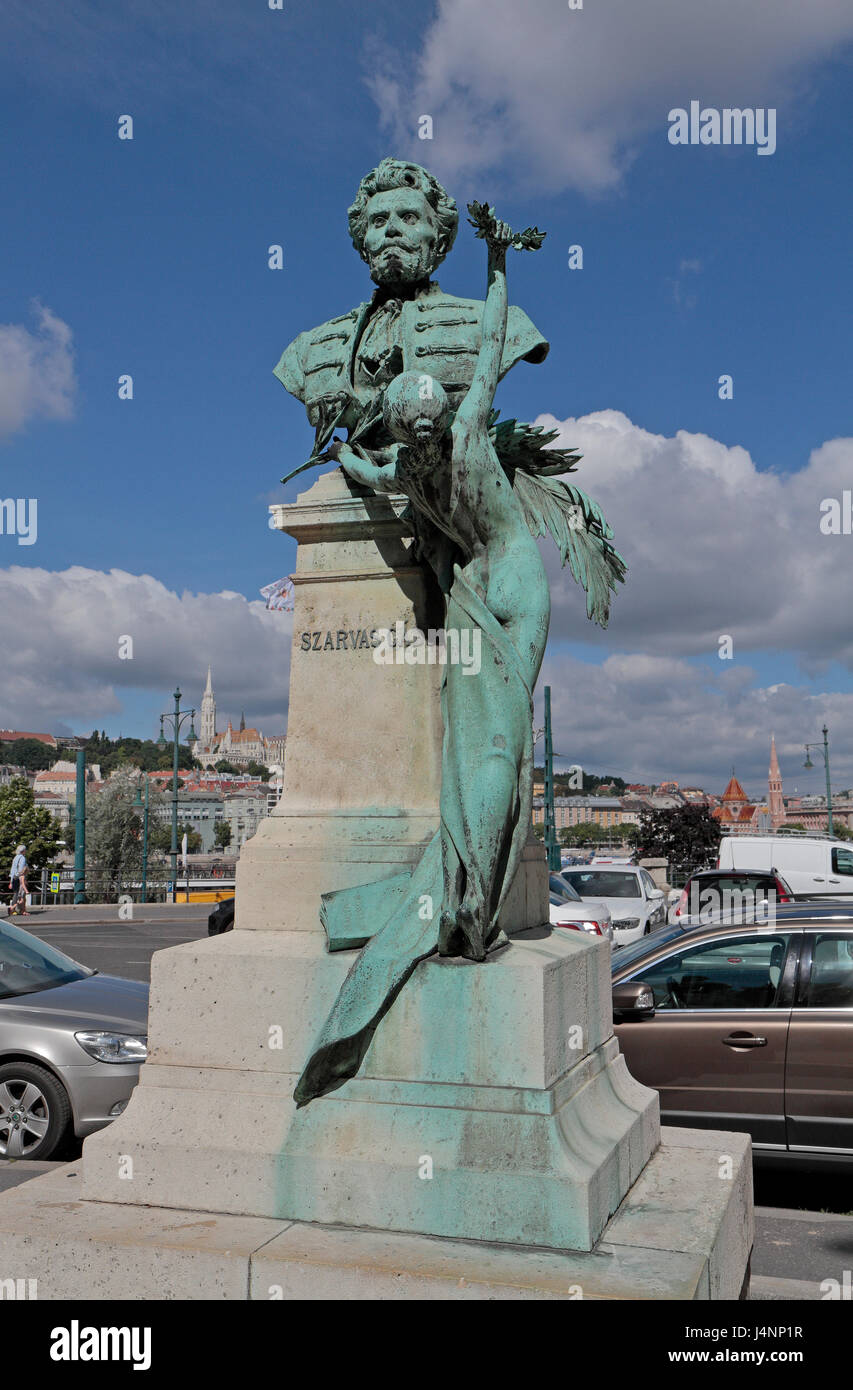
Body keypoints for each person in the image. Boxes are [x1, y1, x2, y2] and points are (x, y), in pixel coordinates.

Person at [293, 205, 624, 1106]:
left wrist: (496, 261)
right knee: (477, 749)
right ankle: (463, 886)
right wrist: (344, 452)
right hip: (473, 589)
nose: (429, 435)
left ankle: (466, 893)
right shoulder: (356, 407)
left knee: (487, 750)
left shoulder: (468, 415)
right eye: (378, 221)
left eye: (412, 220)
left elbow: (485, 356)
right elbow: (368, 475)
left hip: (506, 594)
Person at [9, 844, 28, 916]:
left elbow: (12, 870)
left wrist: (11, 881)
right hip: (20, 877)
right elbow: (21, 870)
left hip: (14, 878)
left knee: (16, 894)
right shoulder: (22, 858)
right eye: (25, 850)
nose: (26, 851)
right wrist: (23, 880)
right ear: (23, 851)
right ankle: (17, 910)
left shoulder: (15, 857)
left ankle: (14, 910)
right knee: (21, 895)